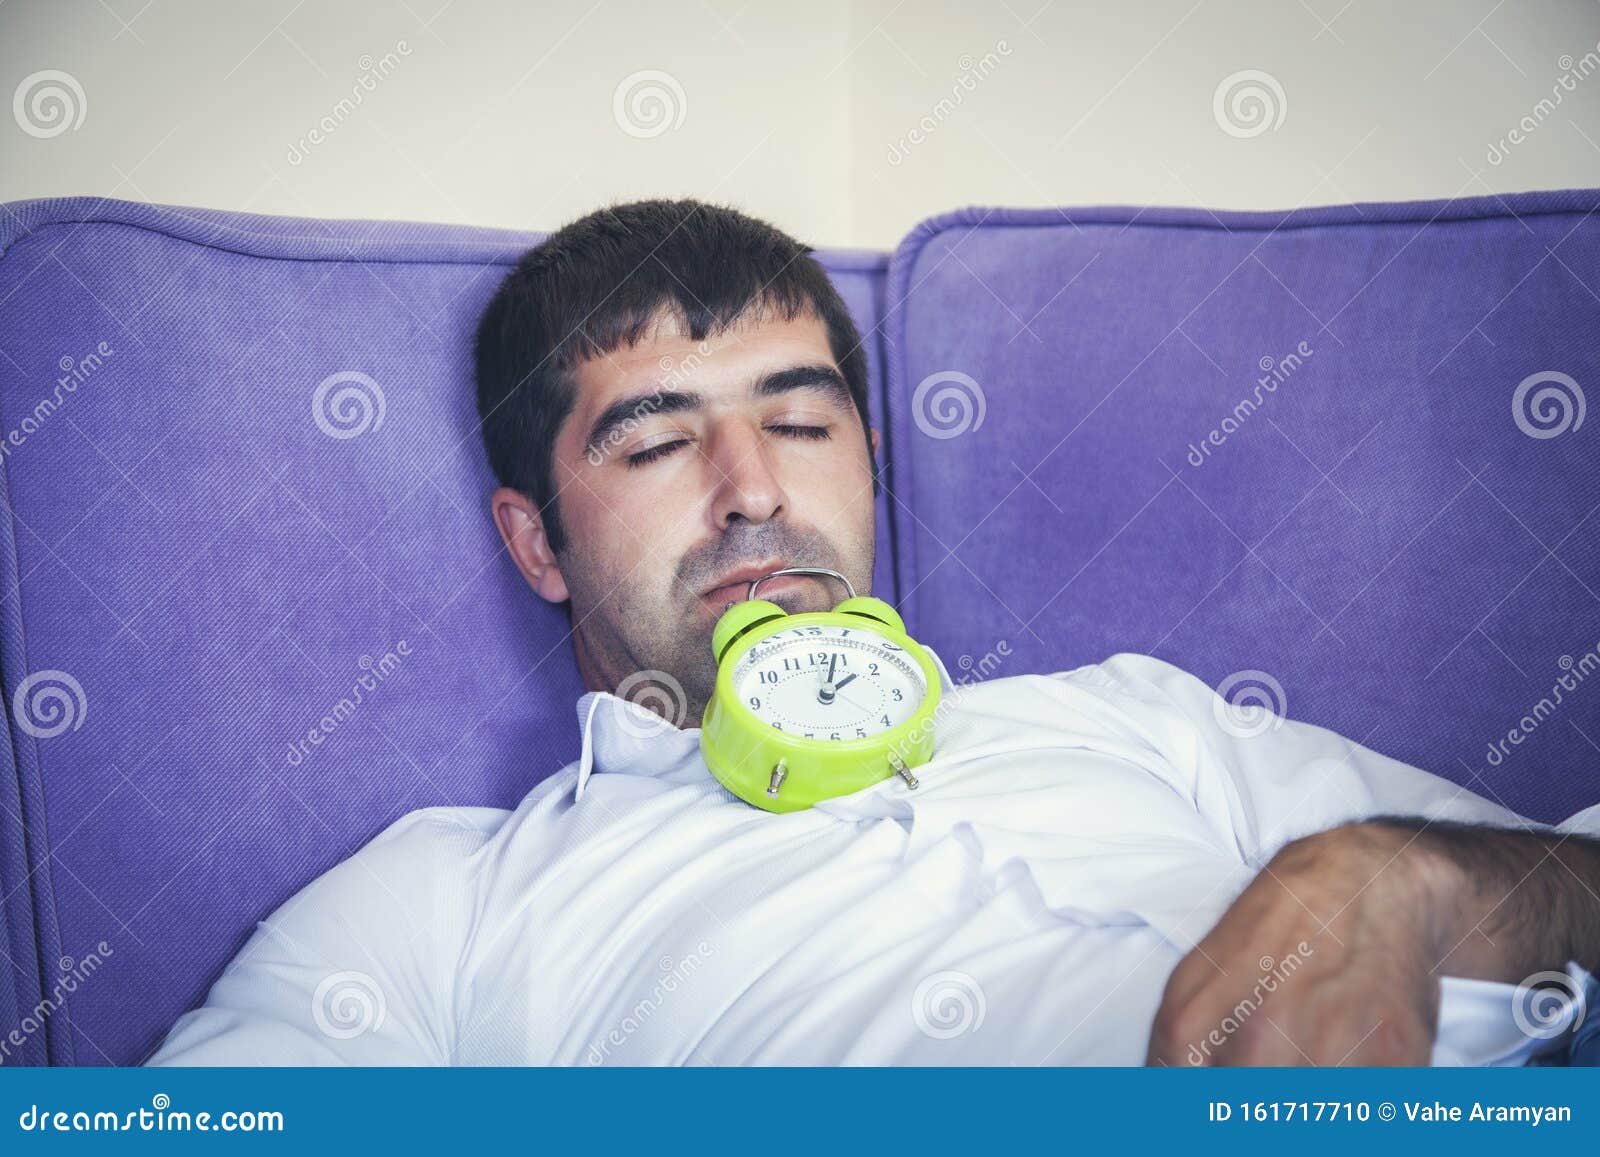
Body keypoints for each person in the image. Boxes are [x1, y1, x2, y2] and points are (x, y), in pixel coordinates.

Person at [147, 199, 1599, 1067]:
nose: (754, 490)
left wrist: (1401, 877)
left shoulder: (1139, 714)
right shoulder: (442, 907)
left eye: (799, 421)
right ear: (537, 542)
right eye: (657, 442)